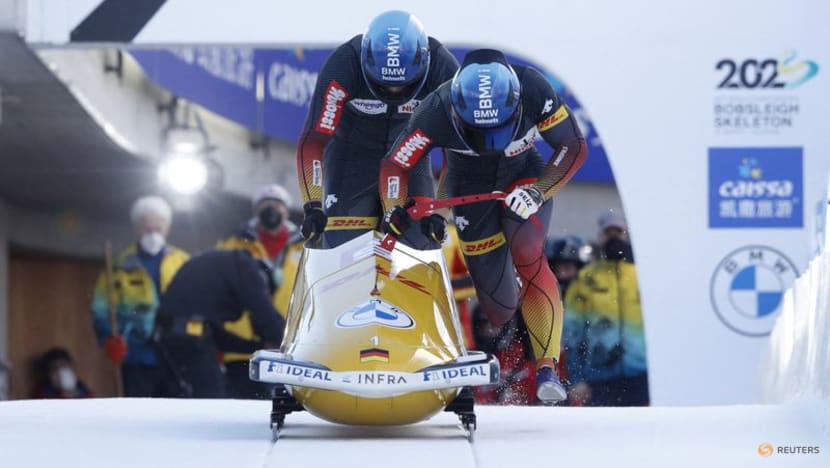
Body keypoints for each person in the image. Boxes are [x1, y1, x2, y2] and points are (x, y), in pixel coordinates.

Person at [379, 49, 587, 402]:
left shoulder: (534, 88)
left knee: (527, 250)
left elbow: (573, 146)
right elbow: (394, 166)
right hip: (468, 191)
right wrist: (393, 208)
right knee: (499, 309)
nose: (491, 140)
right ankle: (517, 284)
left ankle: (547, 365)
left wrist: (539, 192)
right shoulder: (436, 109)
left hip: (524, 177)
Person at [296, 10, 459, 247]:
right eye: (384, 85)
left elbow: (457, 155)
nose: (394, 92)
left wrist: (440, 214)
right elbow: (313, 140)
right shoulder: (343, 66)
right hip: (350, 160)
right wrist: (312, 206)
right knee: (343, 251)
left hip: (408, 161)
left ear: (423, 65)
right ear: (365, 64)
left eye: (404, 84)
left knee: (421, 245)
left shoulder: (443, 70)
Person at [90, 195, 189, 397]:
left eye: (158, 228)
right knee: (138, 415)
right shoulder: (119, 265)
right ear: (136, 229)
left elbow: (198, 305)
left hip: (177, 355)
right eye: (147, 228)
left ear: (167, 229)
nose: (153, 234)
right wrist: (109, 338)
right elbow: (101, 309)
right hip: (136, 355)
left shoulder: (183, 262)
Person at [154, 250, 286, 398]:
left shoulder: (220, 271)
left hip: (166, 337)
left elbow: (217, 338)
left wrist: (258, 347)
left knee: (184, 400)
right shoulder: (246, 267)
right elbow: (266, 316)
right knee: (213, 401)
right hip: (191, 340)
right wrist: (289, 342)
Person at [216, 184, 303, 398]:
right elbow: (219, 289)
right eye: (266, 204)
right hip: (242, 343)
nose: (272, 208)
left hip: (291, 343)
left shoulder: (306, 244)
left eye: (278, 204)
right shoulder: (234, 243)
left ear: (287, 210)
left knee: (288, 403)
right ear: (256, 210)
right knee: (244, 404)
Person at [563, 210, 649, 406]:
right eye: (608, 233)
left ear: (626, 234)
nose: (613, 238)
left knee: (644, 434)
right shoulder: (585, 278)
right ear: (600, 237)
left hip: (641, 375)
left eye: (617, 232)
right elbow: (572, 334)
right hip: (599, 378)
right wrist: (576, 379)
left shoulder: (642, 276)